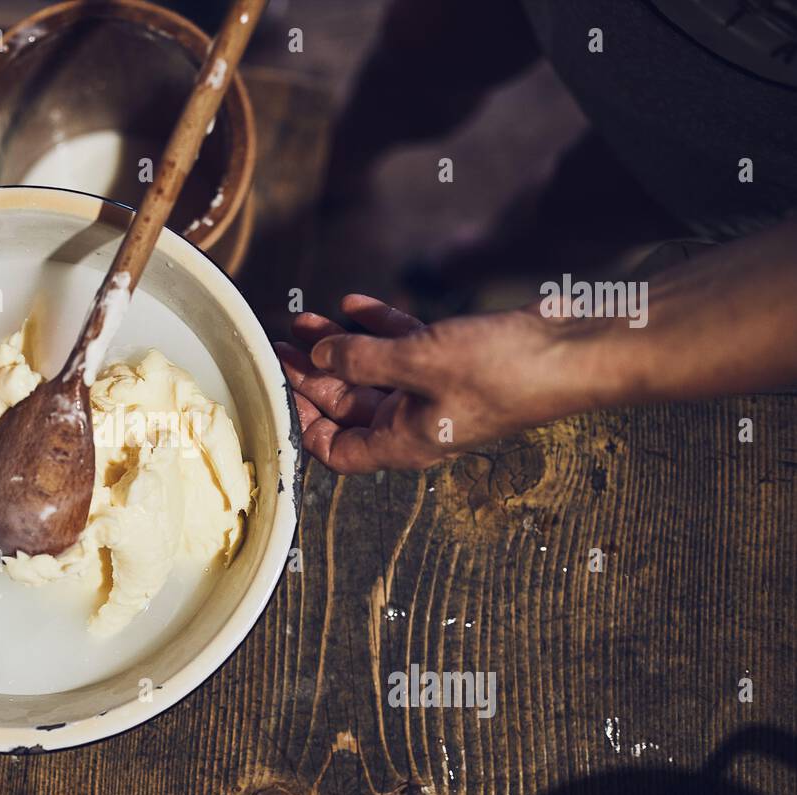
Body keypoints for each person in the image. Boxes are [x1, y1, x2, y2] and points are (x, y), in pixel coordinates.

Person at [281, 0, 797, 474]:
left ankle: (451, 272)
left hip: (744, 134)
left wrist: (558, 354)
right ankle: (335, 174)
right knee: (418, 69)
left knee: (588, 211)